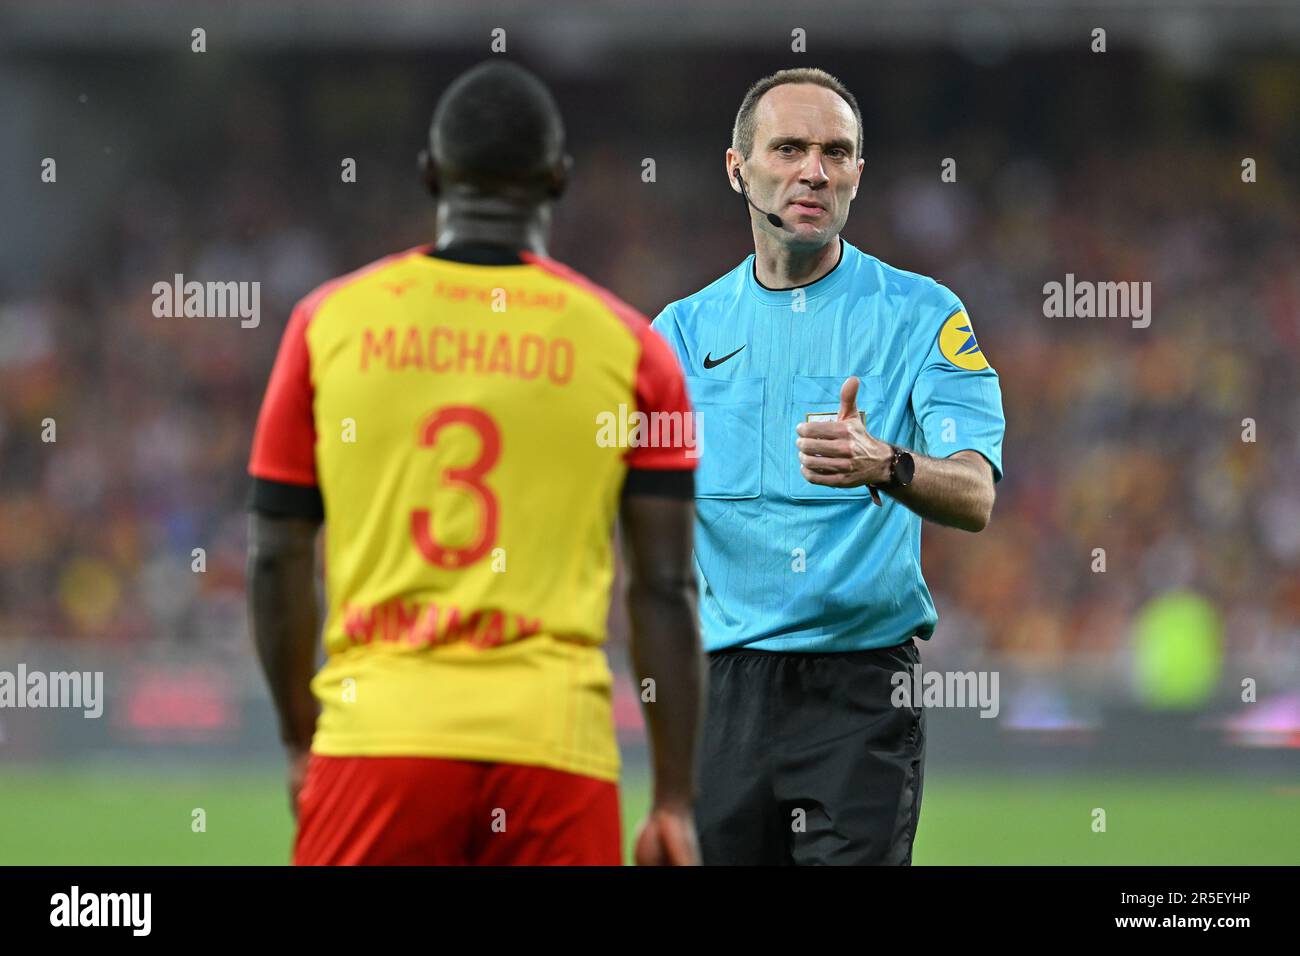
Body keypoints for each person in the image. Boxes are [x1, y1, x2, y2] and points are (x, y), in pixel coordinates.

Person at [246, 61, 703, 866]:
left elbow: (277, 553)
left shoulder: (328, 324)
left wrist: (298, 742)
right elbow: (664, 587)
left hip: (376, 737)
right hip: (554, 749)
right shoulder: (634, 349)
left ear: (430, 172)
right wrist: (672, 799)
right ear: (559, 178)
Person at [650, 67, 1006, 865]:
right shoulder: (677, 333)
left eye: (837, 152)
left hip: (861, 692)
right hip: (720, 694)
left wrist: (888, 463)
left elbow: (976, 493)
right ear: (737, 167)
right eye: (790, 148)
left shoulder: (922, 314)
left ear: (857, 175)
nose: (816, 169)